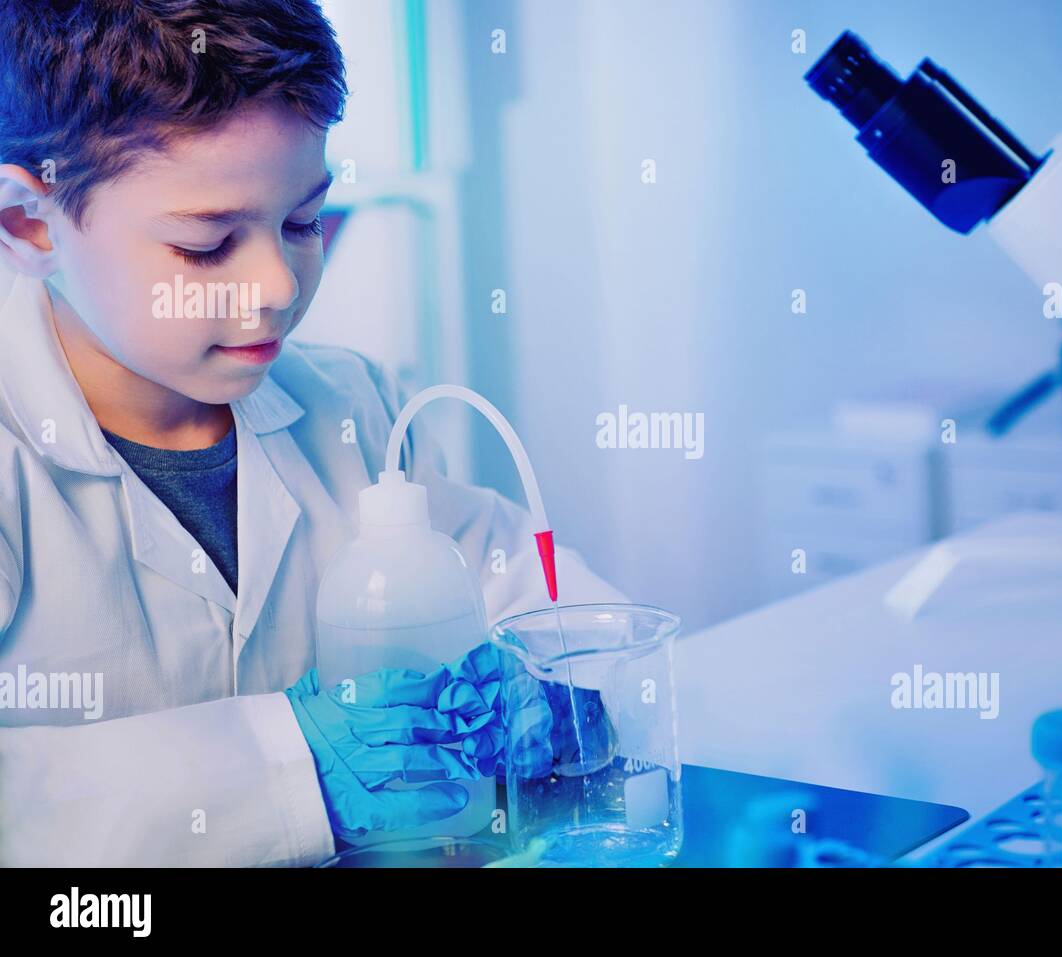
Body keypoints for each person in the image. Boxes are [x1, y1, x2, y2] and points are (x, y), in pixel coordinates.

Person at [0, 0, 624, 865]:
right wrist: (285, 762)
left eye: (302, 223)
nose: (278, 287)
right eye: (208, 244)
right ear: (30, 222)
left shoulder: (347, 406)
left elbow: (516, 577)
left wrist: (556, 684)